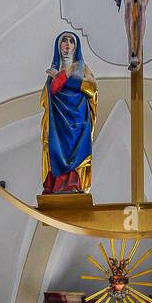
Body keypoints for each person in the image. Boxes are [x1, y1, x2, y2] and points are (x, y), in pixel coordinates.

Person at [40, 31, 97, 193]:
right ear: (58, 47)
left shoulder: (82, 69)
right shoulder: (53, 71)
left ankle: (72, 183)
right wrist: (56, 78)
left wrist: (61, 77)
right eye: (64, 41)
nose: (67, 44)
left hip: (78, 118)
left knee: (76, 149)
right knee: (56, 147)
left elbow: (91, 89)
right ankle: (57, 183)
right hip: (57, 119)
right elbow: (48, 96)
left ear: (75, 47)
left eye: (71, 41)